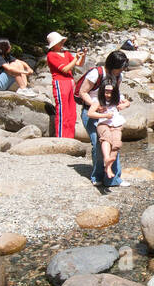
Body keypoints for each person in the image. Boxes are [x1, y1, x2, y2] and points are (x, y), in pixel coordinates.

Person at [76, 50, 129, 188]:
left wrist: (122, 103)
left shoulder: (118, 76)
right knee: (98, 144)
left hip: (110, 115)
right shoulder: (96, 73)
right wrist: (96, 106)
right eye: (120, 68)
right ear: (112, 65)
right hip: (92, 112)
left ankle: (113, 179)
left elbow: (116, 94)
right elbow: (82, 92)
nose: (121, 70)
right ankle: (97, 176)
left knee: (113, 143)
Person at [85, 69, 130, 183]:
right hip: (103, 123)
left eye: (110, 92)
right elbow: (90, 113)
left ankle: (109, 166)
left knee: (116, 143)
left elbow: (128, 102)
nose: (108, 95)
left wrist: (123, 106)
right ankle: (106, 159)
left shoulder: (117, 98)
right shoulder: (98, 100)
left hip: (116, 125)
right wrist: (104, 114)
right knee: (106, 139)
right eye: (106, 92)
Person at [46, 32, 83, 140]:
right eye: (59, 42)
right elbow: (65, 69)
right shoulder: (51, 55)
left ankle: (70, 136)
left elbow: (79, 64)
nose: (62, 43)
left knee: (71, 110)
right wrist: (76, 58)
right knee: (63, 110)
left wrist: (82, 56)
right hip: (60, 82)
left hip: (70, 82)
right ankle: (61, 136)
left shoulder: (66, 53)